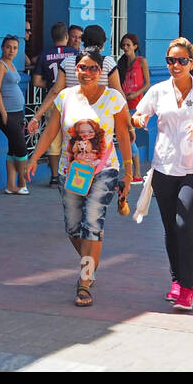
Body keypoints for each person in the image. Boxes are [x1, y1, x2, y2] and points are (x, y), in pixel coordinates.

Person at [24, 45, 132, 307]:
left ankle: (84, 281)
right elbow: (51, 132)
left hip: (104, 171)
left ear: (101, 72)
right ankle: (91, 259)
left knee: (92, 223)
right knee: (74, 228)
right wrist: (34, 157)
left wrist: (129, 171)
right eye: (82, 68)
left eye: (92, 68)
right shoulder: (65, 97)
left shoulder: (114, 99)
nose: (86, 73)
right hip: (69, 172)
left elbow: (124, 136)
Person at [132, 37, 193, 312]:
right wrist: (139, 119)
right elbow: (138, 114)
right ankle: (176, 280)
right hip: (164, 166)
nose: (175, 66)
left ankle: (188, 288)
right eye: (170, 60)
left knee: (184, 225)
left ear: (192, 62)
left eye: (181, 61)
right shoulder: (158, 91)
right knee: (170, 227)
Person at [29, 25, 122, 181]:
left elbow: (54, 91)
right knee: (96, 154)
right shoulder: (108, 63)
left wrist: (36, 116)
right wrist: (126, 123)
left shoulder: (68, 62)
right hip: (99, 118)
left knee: (74, 151)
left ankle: (74, 185)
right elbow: (118, 93)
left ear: (83, 41)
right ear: (103, 44)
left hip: (73, 115)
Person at [29, 22, 75, 186]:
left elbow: (35, 81)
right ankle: (71, 173)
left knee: (53, 138)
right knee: (72, 137)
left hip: (52, 101)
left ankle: (55, 176)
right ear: (67, 37)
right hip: (72, 100)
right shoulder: (74, 54)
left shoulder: (45, 55)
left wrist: (51, 85)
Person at [0, 34, 30, 194]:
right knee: (21, 148)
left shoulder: (12, 65)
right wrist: (3, 113)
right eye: (8, 47)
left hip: (17, 113)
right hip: (7, 114)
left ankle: (10, 185)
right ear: (2, 48)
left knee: (13, 149)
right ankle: (22, 181)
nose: (11, 50)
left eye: (15, 48)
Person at [118, 33, 151, 178]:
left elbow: (147, 84)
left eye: (128, 45)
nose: (125, 48)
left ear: (135, 46)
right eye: (123, 45)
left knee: (130, 139)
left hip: (136, 105)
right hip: (123, 104)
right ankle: (133, 172)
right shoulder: (121, 63)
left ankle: (135, 172)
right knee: (127, 138)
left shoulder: (141, 61)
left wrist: (135, 94)